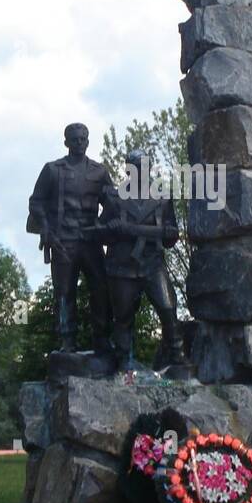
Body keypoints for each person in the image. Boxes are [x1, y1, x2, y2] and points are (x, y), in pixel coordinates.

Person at [27, 122, 118, 353]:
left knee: (100, 289)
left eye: (83, 139)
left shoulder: (99, 172)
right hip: (63, 241)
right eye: (75, 139)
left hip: (91, 241)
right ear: (66, 142)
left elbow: (114, 204)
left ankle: (101, 338)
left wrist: (102, 224)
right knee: (64, 292)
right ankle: (67, 340)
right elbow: (36, 202)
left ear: (88, 141)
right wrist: (46, 228)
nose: (79, 143)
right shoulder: (52, 170)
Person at [98, 150, 187, 371]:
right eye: (136, 167)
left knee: (167, 307)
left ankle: (177, 355)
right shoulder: (115, 197)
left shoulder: (163, 198)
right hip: (122, 267)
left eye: (145, 166)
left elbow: (171, 236)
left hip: (152, 264)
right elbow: (100, 231)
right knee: (123, 316)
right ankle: (124, 360)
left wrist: (168, 233)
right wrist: (112, 230)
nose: (141, 171)